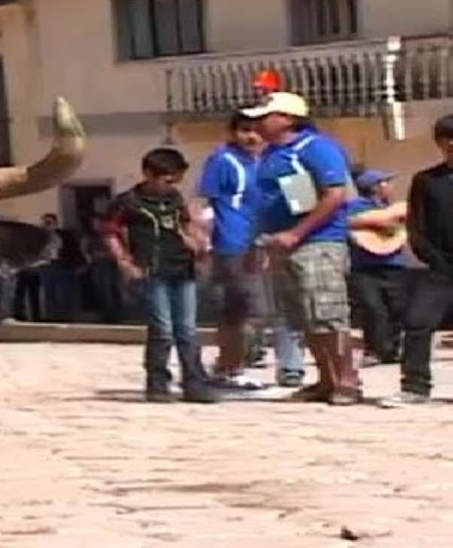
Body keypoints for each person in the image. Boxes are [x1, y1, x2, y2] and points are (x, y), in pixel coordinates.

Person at [243, 91, 361, 405]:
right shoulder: (271, 154)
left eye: (265, 116)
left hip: (317, 242)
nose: (257, 122)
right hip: (282, 243)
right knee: (302, 316)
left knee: (327, 313)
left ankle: (346, 380)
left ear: (288, 118)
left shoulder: (316, 148)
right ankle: (325, 379)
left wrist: (296, 233)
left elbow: (334, 194)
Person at [102, 147, 218, 403]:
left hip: (182, 268)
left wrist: (194, 239)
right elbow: (110, 231)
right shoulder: (127, 202)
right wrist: (124, 261)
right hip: (152, 269)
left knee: (187, 329)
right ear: (148, 174)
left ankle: (194, 382)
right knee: (162, 329)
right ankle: (157, 382)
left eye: (175, 181)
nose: (171, 186)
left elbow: (184, 223)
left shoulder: (175, 198)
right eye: (166, 180)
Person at [380, 114, 453, 407]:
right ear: (439, 143)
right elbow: (416, 227)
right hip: (441, 269)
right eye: (447, 138)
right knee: (418, 322)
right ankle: (415, 386)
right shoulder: (426, 181)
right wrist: (433, 258)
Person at [195, 111, 268, 390]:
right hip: (232, 242)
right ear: (232, 132)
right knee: (244, 308)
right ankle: (230, 366)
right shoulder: (223, 160)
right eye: (244, 130)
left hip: (258, 243)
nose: (251, 136)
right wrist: (201, 238)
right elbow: (202, 200)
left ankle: (228, 366)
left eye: (257, 130)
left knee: (238, 310)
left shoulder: (261, 163)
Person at [345, 168, 409, 367]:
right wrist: (380, 219)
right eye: (386, 182)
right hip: (364, 267)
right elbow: (348, 222)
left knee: (397, 308)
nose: (391, 187)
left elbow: (404, 212)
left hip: (394, 265)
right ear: (376, 187)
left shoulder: (394, 207)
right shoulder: (355, 206)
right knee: (373, 308)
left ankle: (392, 350)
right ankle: (374, 350)